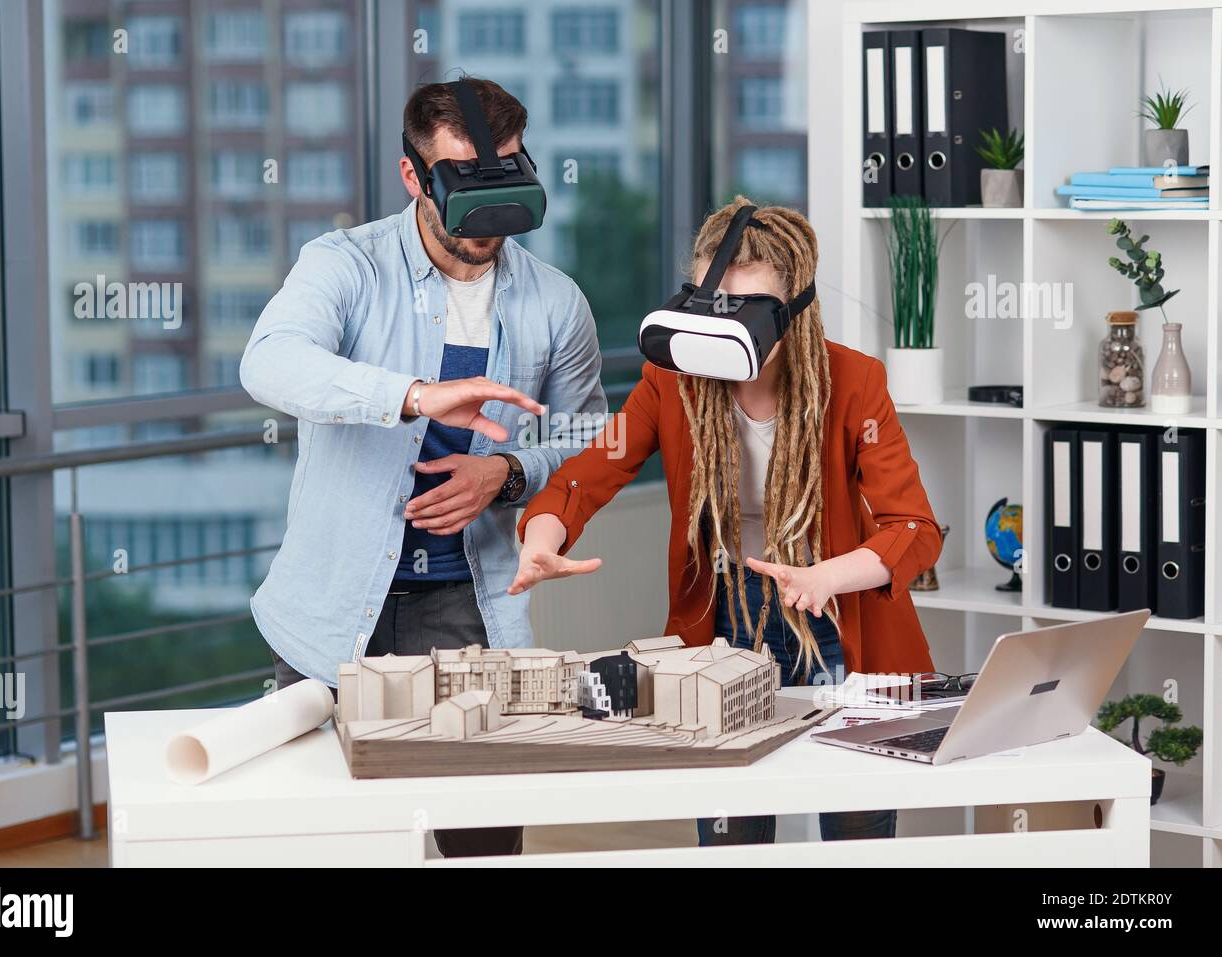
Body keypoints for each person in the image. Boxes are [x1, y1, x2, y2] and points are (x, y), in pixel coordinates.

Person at [240, 78, 607, 857]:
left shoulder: (556, 303)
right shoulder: (345, 265)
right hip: (335, 610)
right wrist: (412, 395)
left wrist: (505, 472)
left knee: (480, 837)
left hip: (468, 610)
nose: (486, 208)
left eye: (503, 175)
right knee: (335, 839)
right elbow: (269, 362)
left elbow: (586, 439)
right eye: (462, 181)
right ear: (414, 176)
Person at [509, 197, 941, 845]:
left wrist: (825, 576)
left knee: (857, 822)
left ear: (796, 309)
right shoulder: (672, 382)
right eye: (716, 309)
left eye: (752, 313)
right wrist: (543, 538)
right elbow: (585, 476)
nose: (727, 332)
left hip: (836, 620)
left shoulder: (855, 381)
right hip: (724, 623)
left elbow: (914, 528)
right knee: (731, 826)